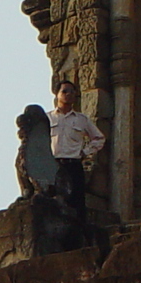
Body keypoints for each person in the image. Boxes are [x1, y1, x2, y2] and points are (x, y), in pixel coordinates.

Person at [48, 80, 106, 213]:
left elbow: (99, 138)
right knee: (51, 204)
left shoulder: (81, 119)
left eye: (72, 92)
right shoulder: (48, 118)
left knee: (76, 205)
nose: (68, 94)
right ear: (57, 94)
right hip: (53, 166)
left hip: (73, 165)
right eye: (64, 91)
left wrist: (85, 152)